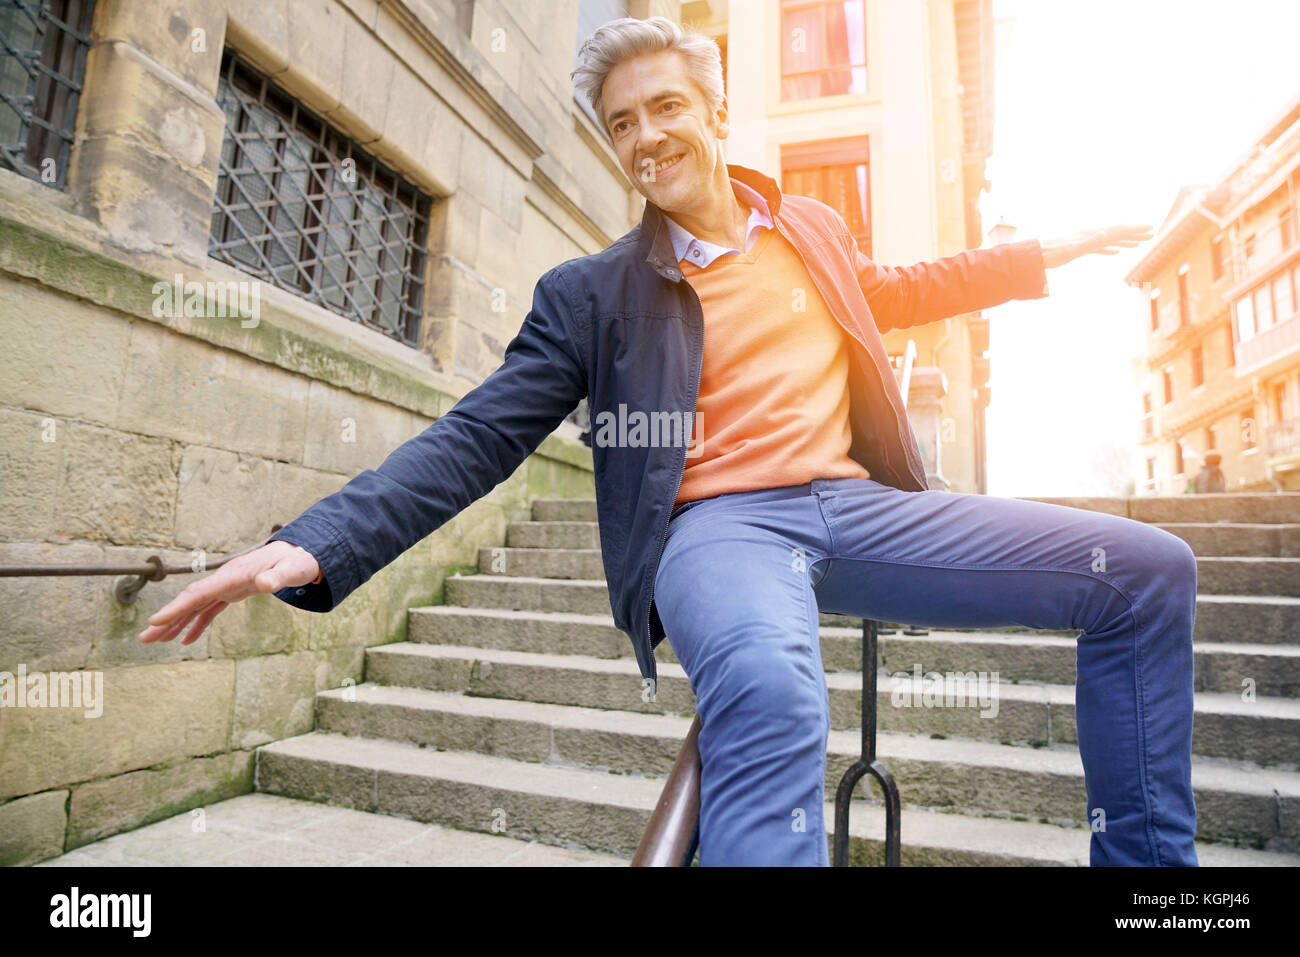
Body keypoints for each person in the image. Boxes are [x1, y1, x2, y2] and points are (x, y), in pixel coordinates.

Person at [137, 17, 1196, 867]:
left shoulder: (810, 232)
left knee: (1146, 572)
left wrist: (1033, 254)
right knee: (777, 694)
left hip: (859, 511)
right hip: (718, 532)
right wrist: (319, 540)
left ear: (717, 110)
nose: (646, 137)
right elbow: (479, 436)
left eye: (666, 108)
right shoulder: (590, 295)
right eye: (622, 123)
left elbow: (897, 293)